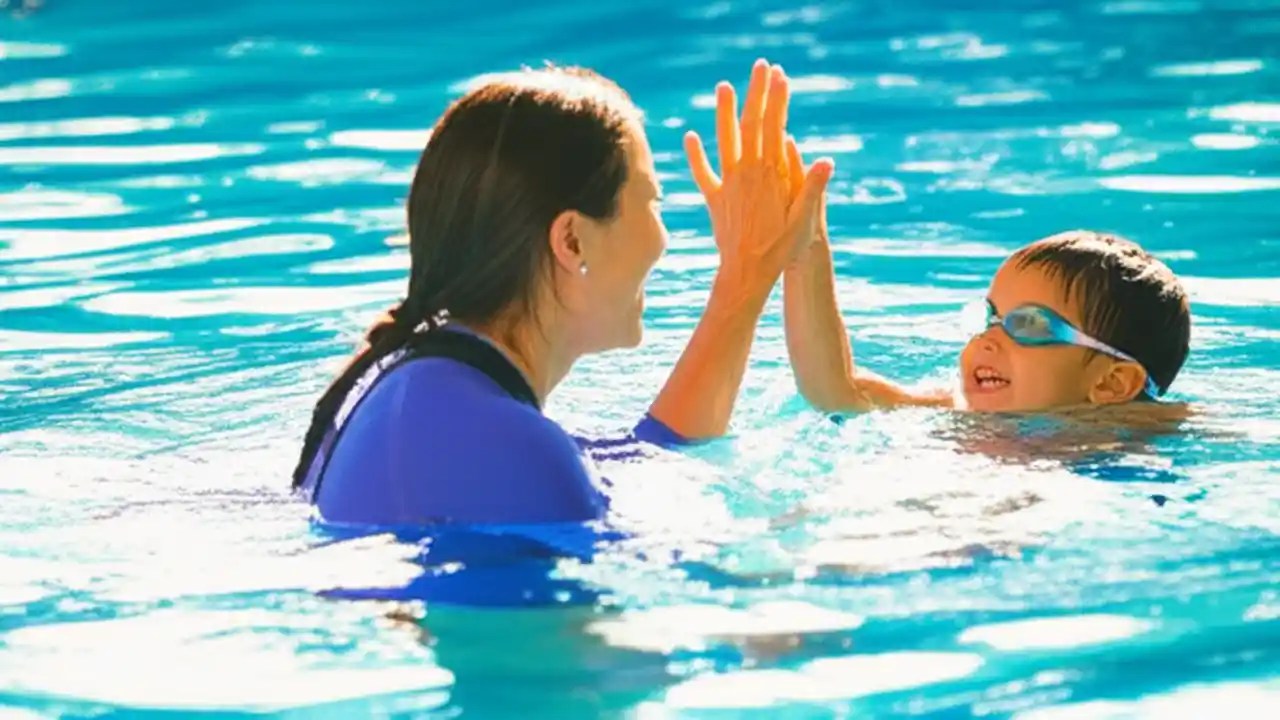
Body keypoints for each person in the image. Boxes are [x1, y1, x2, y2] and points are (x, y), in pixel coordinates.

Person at [292, 60, 834, 528]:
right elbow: (640, 623)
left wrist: (747, 275)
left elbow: (651, 456)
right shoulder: (506, 444)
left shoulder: (425, 389)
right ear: (572, 240)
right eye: (653, 203)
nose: (664, 240)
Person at [781, 176, 1191, 415]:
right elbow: (835, 392)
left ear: (1112, 383)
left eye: (1027, 323)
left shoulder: (1134, 436)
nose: (987, 339)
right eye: (989, 317)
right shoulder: (953, 407)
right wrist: (805, 249)